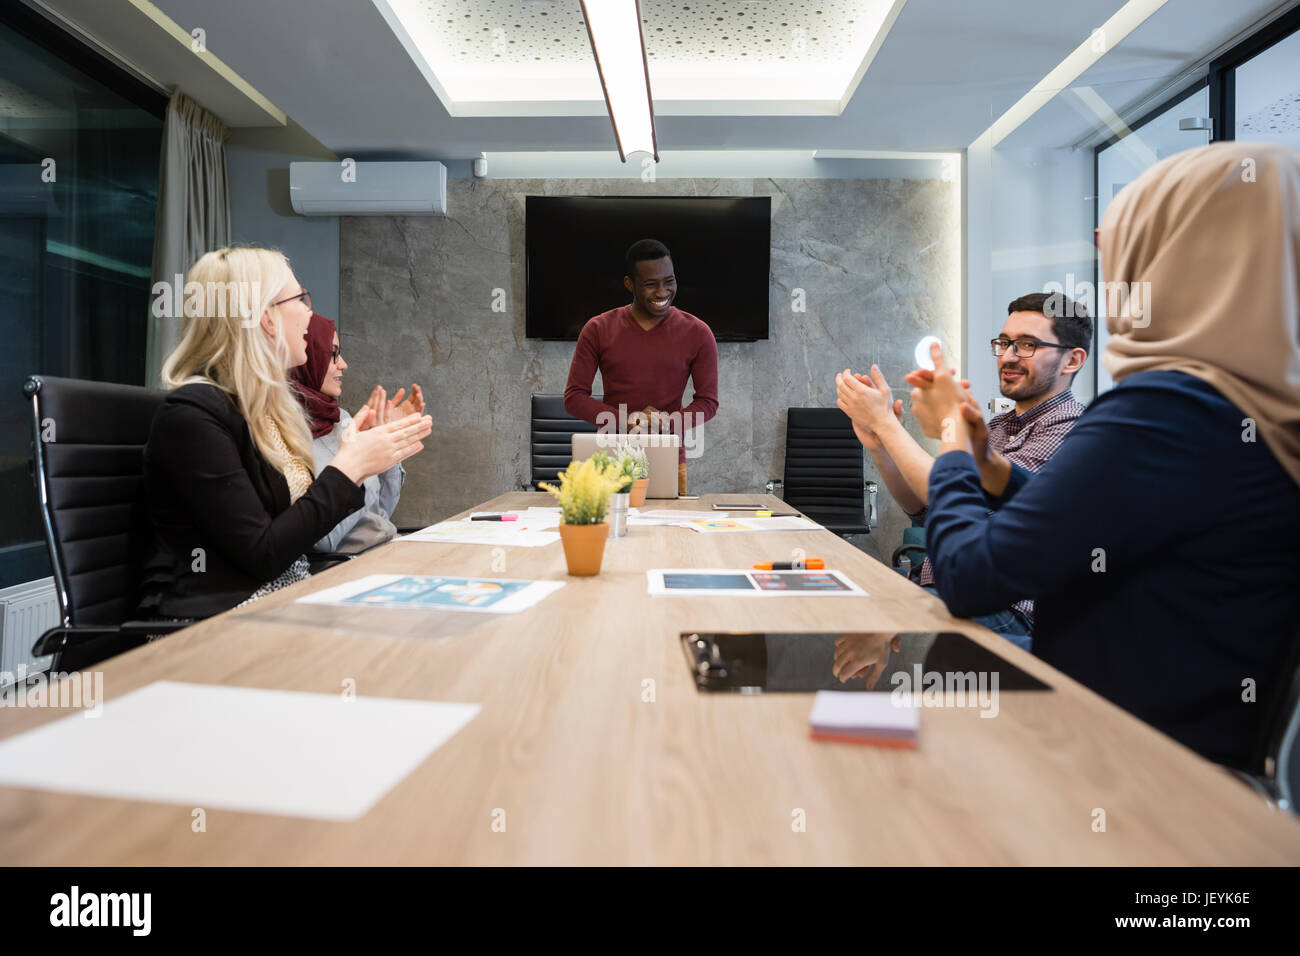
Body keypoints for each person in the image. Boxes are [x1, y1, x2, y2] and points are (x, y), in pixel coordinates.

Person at [910, 141, 1300, 771]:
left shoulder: (1168, 410)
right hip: (1201, 759)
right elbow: (1087, 523)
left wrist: (951, 435)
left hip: (1113, 765)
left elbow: (969, 578)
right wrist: (988, 462)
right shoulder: (1255, 408)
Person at [138, 247, 433, 619]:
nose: (310, 312)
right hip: (219, 621)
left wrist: (357, 456)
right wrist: (348, 468)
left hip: (291, 596)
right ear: (265, 318)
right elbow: (263, 554)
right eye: (300, 298)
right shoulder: (192, 416)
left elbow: (298, 532)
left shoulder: (265, 412)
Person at [835, 292, 1091, 650]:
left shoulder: (1071, 429)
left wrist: (888, 427)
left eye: (1027, 345)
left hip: (1005, 612)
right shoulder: (998, 426)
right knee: (834, 598)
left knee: (859, 614)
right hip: (944, 588)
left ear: (1072, 360)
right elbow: (928, 508)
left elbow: (950, 493)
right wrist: (880, 444)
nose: (1008, 356)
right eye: (1004, 343)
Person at [563, 239, 719, 494]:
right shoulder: (598, 329)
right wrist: (628, 421)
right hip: (611, 454)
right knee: (611, 530)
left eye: (669, 281)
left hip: (667, 456)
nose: (662, 292)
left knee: (668, 533)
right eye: (650, 284)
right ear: (629, 284)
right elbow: (574, 398)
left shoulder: (698, 333)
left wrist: (666, 423)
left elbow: (708, 403)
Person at [288, 312, 425, 552]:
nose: (344, 364)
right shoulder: (282, 437)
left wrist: (389, 446)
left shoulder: (342, 419)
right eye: (333, 354)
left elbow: (380, 514)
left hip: (383, 552)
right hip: (340, 570)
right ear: (306, 359)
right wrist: (359, 467)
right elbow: (321, 542)